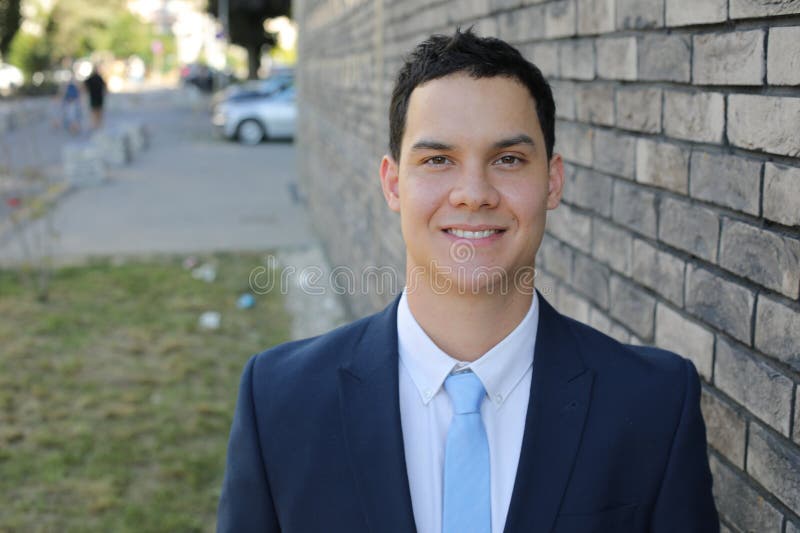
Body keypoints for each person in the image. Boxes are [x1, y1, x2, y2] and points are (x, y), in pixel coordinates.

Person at [217, 29, 719, 533]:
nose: (474, 194)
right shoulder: (279, 401)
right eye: (438, 160)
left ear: (552, 181)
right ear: (393, 184)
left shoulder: (653, 404)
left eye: (508, 160)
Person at [84, 65, 106, 130]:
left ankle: (95, 124)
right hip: (98, 97)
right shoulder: (99, 78)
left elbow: (84, 85)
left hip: (94, 97)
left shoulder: (93, 78)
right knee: (98, 111)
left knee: (94, 111)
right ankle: (97, 124)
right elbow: (105, 87)